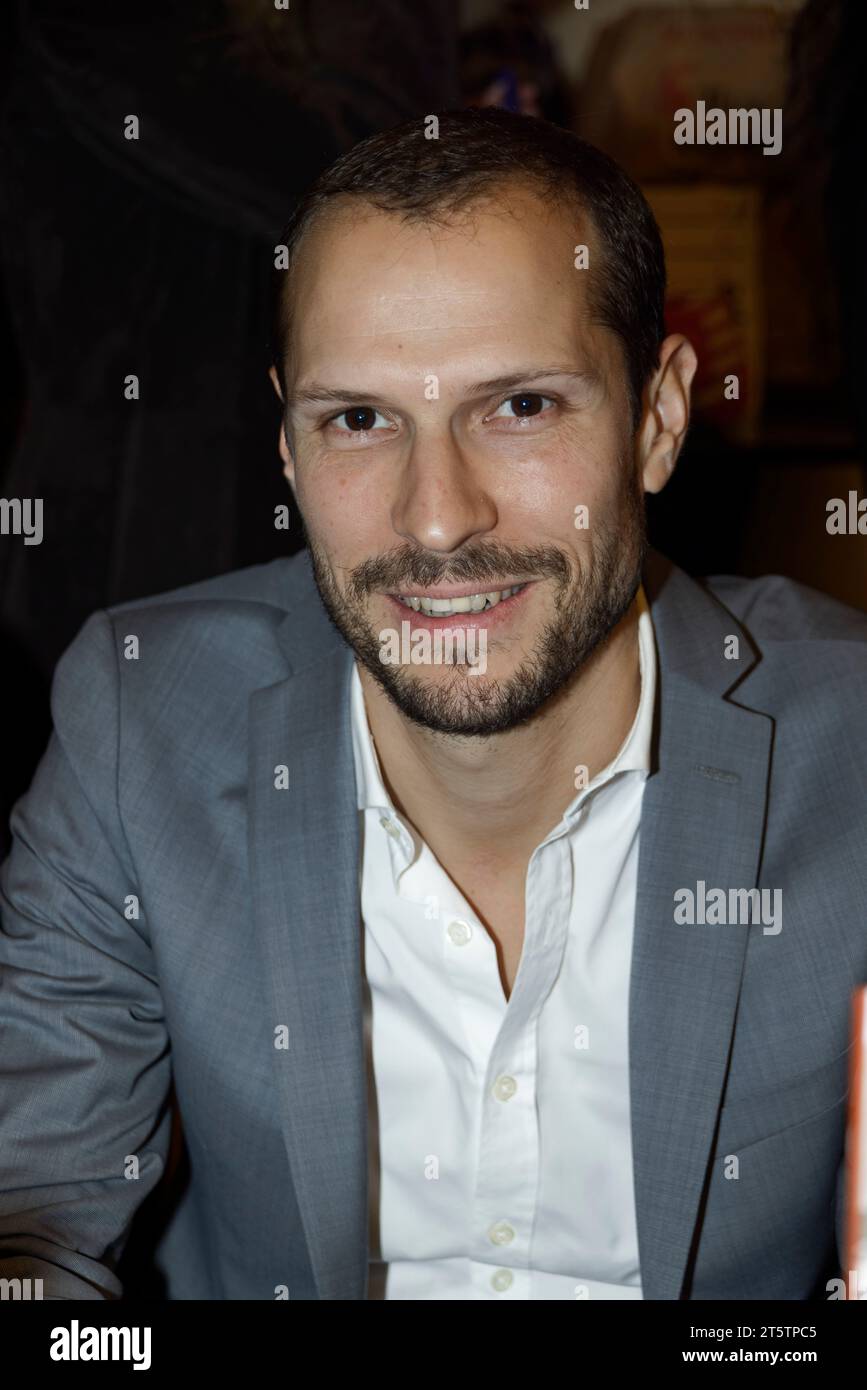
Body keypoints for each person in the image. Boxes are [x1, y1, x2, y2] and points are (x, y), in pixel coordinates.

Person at [1, 106, 865, 1302]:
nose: (438, 518)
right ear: (292, 450)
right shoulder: (139, 718)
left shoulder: (853, 744)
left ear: (658, 419)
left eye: (520, 407)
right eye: (359, 420)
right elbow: (28, 1213)